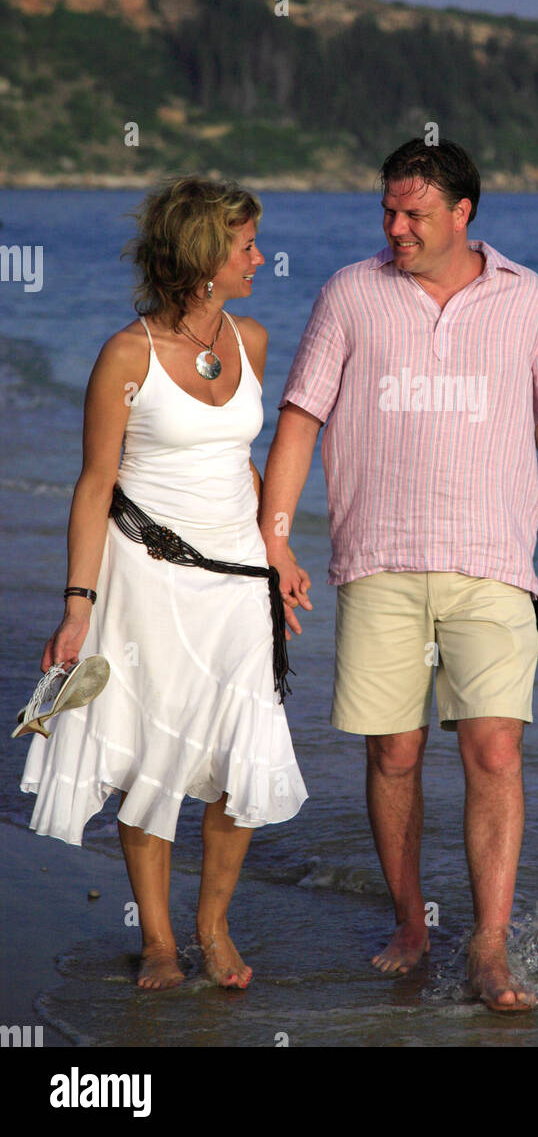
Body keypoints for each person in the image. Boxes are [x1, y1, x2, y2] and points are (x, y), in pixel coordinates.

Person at [260, 139, 538, 1013]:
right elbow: (301, 420)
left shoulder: (525, 296)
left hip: (492, 563)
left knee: (494, 748)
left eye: (414, 213)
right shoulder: (350, 291)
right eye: (387, 210)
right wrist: (274, 537)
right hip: (376, 558)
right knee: (394, 752)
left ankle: (489, 947)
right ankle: (412, 922)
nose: (396, 226)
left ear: (463, 214)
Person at [19, 175, 308, 990]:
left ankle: (213, 929)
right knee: (155, 752)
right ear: (202, 259)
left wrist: (277, 551)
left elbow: (242, 463)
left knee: (240, 756)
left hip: (239, 582)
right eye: (246, 245)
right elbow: (94, 484)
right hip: (146, 581)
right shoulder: (126, 354)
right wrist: (77, 607)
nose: (260, 257)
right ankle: (156, 939)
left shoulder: (251, 339)